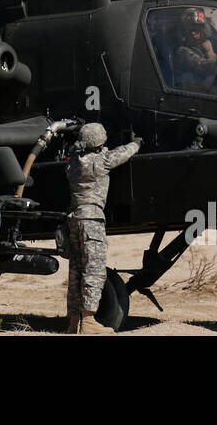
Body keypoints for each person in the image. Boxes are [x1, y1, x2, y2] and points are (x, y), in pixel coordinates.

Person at [64, 122, 141, 334]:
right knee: (94, 270)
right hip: (92, 220)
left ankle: (73, 322)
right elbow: (124, 153)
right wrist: (135, 144)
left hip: (74, 218)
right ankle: (88, 322)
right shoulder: (101, 161)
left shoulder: (73, 163)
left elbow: (79, 152)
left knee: (75, 272)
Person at [172, 8, 217, 91]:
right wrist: (210, 52)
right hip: (188, 87)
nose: (196, 34)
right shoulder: (182, 51)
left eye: (199, 30)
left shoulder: (201, 45)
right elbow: (204, 66)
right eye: (193, 31)